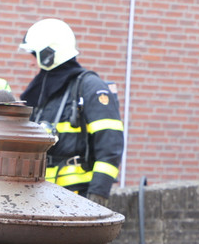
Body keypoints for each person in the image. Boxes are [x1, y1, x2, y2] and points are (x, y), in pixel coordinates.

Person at [19, 18, 123, 205]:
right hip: (40, 195)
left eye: (35, 55)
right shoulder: (41, 91)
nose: (32, 62)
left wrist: (98, 193)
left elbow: (110, 145)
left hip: (77, 197)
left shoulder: (89, 87)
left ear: (49, 55)